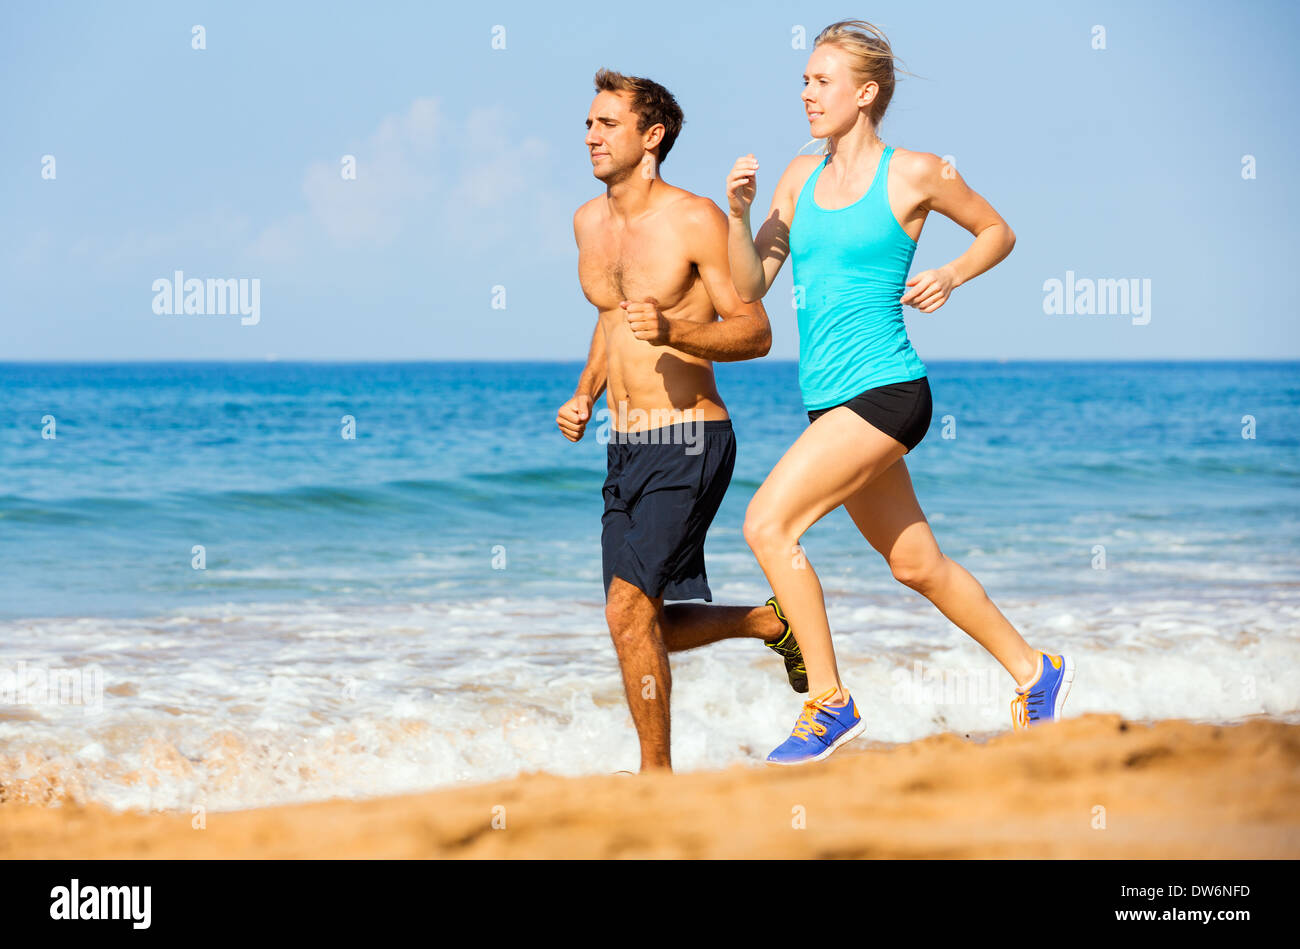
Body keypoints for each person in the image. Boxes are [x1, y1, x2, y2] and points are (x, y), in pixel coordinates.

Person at [724, 20, 1074, 766]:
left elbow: (997, 230)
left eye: (822, 81)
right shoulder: (797, 177)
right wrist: (739, 214)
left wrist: (950, 273)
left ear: (866, 92)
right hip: (828, 402)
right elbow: (750, 284)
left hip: (886, 391)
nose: (807, 92)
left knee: (767, 523)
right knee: (916, 564)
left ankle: (829, 703)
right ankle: (1034, 670)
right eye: (805, 80)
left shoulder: (914, 172)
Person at [556, 68, 807, 773]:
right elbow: (612, 323)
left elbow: (755, 332)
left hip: (692, 436)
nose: (591, 136)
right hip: (623, 444)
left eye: (607, 124)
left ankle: (655, 777)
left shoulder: (694, 217)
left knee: (626, 613)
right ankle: (768, 621)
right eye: (588, 123)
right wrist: (584, 393)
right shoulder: (588, 221)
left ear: (652, 135)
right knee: (636, 618)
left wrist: (673, 329)